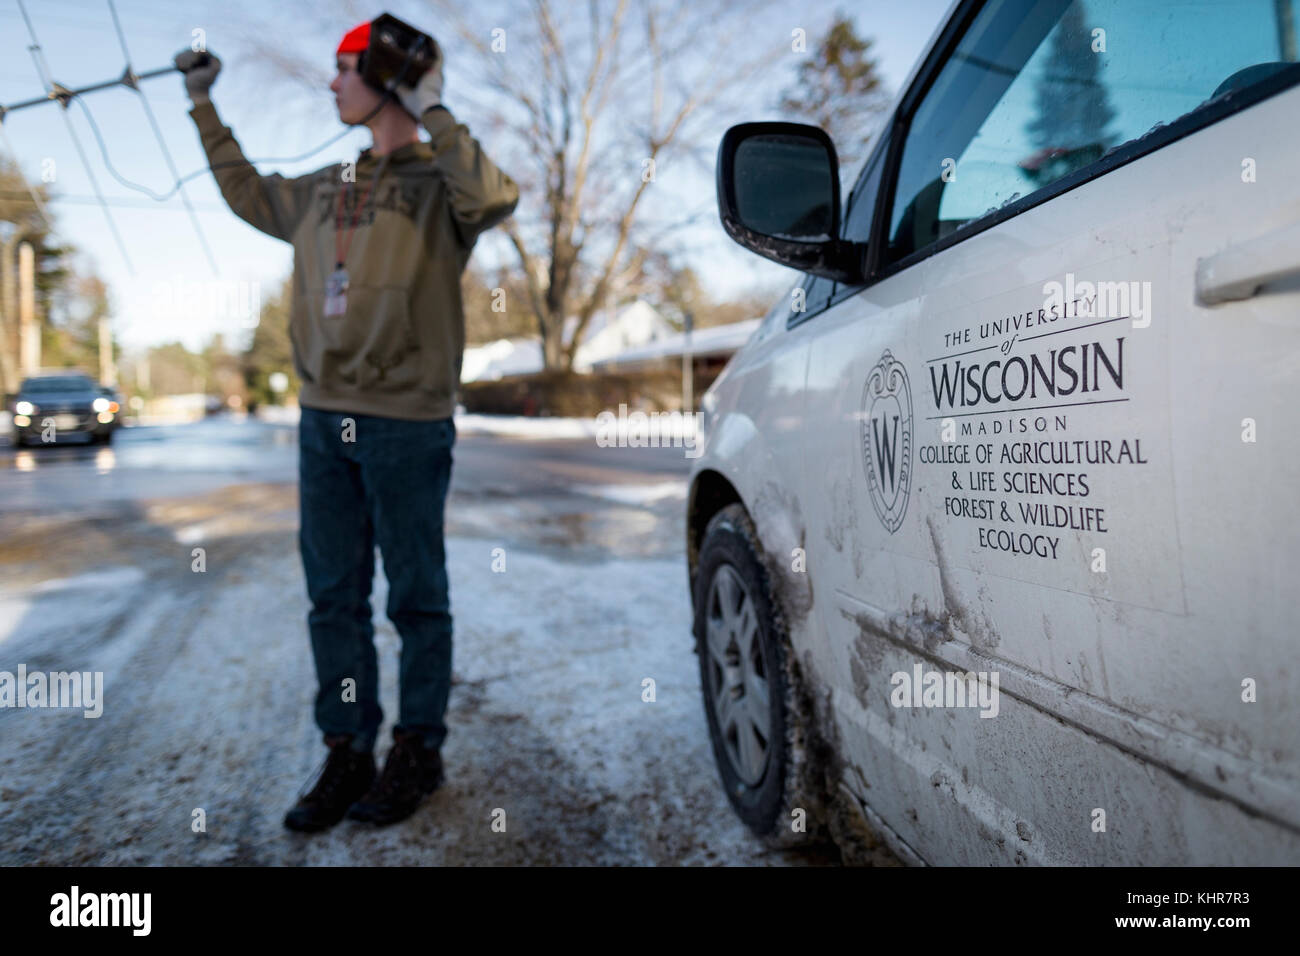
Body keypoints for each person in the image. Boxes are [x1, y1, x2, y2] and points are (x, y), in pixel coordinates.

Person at [174, 18, 519, 831]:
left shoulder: (443, 187)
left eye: (344, 71)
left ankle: (417, 751)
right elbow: (245, 190)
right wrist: (201, 104)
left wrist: (430, 104)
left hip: (406, 423)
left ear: (388, 76)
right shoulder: (327, 187)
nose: (330, 85)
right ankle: (348, 749)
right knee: (333, 598)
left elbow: (497, 196)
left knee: (416, 600)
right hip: (324, 422)